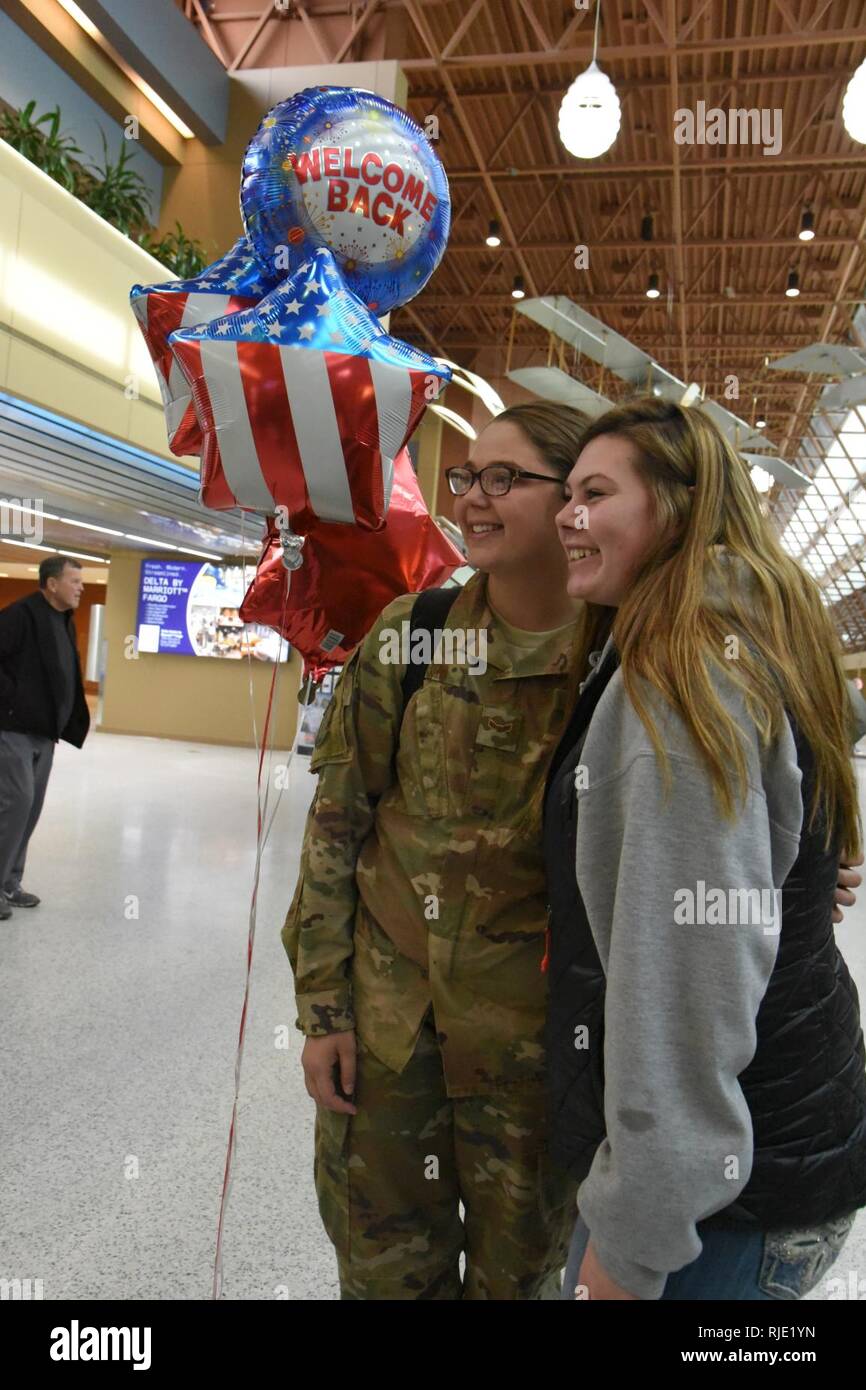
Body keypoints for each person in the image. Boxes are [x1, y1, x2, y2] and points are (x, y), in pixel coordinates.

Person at [543, 397, 866, 1301]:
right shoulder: (766, 624)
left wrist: (633, 1245)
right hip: (796, 1136)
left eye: (596, 493)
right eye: (567, 493)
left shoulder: (678, 685)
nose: (568, 516)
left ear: (676, 509)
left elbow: (680, 992)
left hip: (719, 1211)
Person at [282, 402, 591, 1299]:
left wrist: (814, 861)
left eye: (505, 479)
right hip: (389, 1039)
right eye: (465, 477)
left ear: (573, 502)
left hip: (534, 1058)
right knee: (385, 1280)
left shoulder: (619, 653)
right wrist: (324, 1014)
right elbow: (337, 828)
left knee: (520, 1286)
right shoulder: (415, 636)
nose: (474, 499)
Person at [0, 555, 90, 919]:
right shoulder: (20, 615)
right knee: (15, 805)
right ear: (52, 584)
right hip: (13, 730)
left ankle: (10, 883)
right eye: (74, 581)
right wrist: (12, 699)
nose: (80, 587)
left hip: (44, 734)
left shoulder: (64, 621)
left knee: (30, 809)